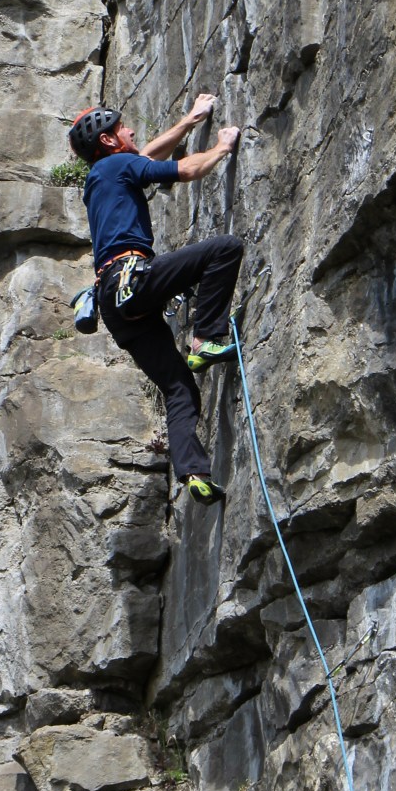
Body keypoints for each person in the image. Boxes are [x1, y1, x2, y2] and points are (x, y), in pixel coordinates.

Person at [69, 94, 243, 505]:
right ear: (110, 142)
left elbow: (147, 155)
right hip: (132, 277)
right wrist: (221, 145)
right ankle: (206, 338)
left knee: (179, 387)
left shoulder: (104, 175)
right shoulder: (117, 164)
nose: (130, 131)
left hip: (116, 307)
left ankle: (193, 472)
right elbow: (186, 169)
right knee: (225, 249)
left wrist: (188, 122)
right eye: (122, 128)